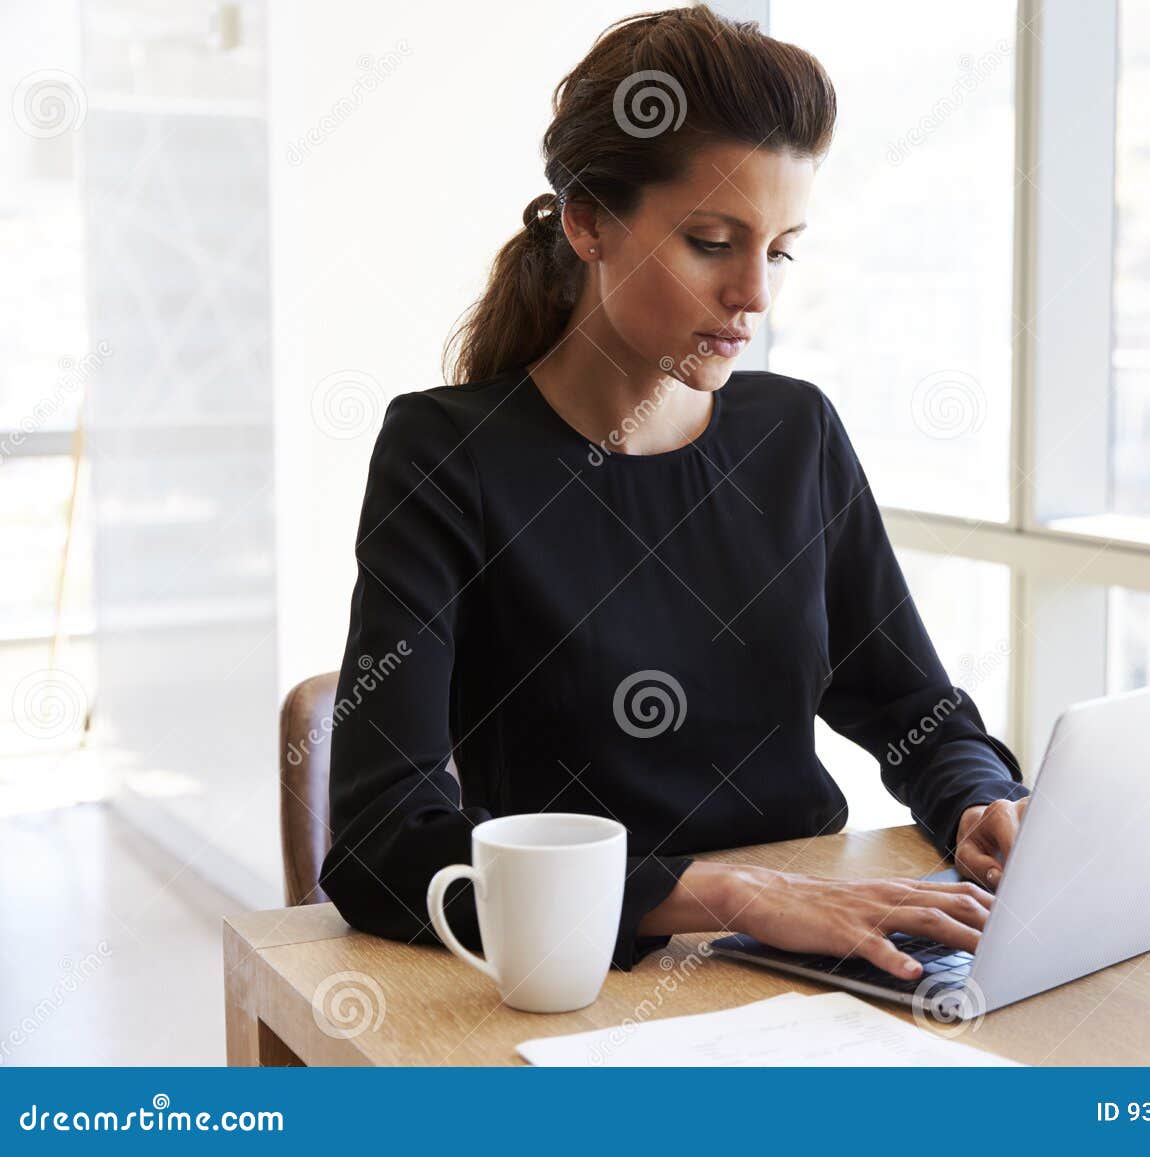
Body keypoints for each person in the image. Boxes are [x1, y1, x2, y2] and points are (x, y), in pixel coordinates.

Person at [318, 3, 1031, 983]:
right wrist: (728, 893)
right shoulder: (451, 454)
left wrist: (978, 801)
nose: (755, 295)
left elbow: (910, 704)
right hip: (596, 970)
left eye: (778, 250)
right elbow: (379, 843)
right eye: (710, 241)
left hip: (831, 942)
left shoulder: (794, 432)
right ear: (587, 224)